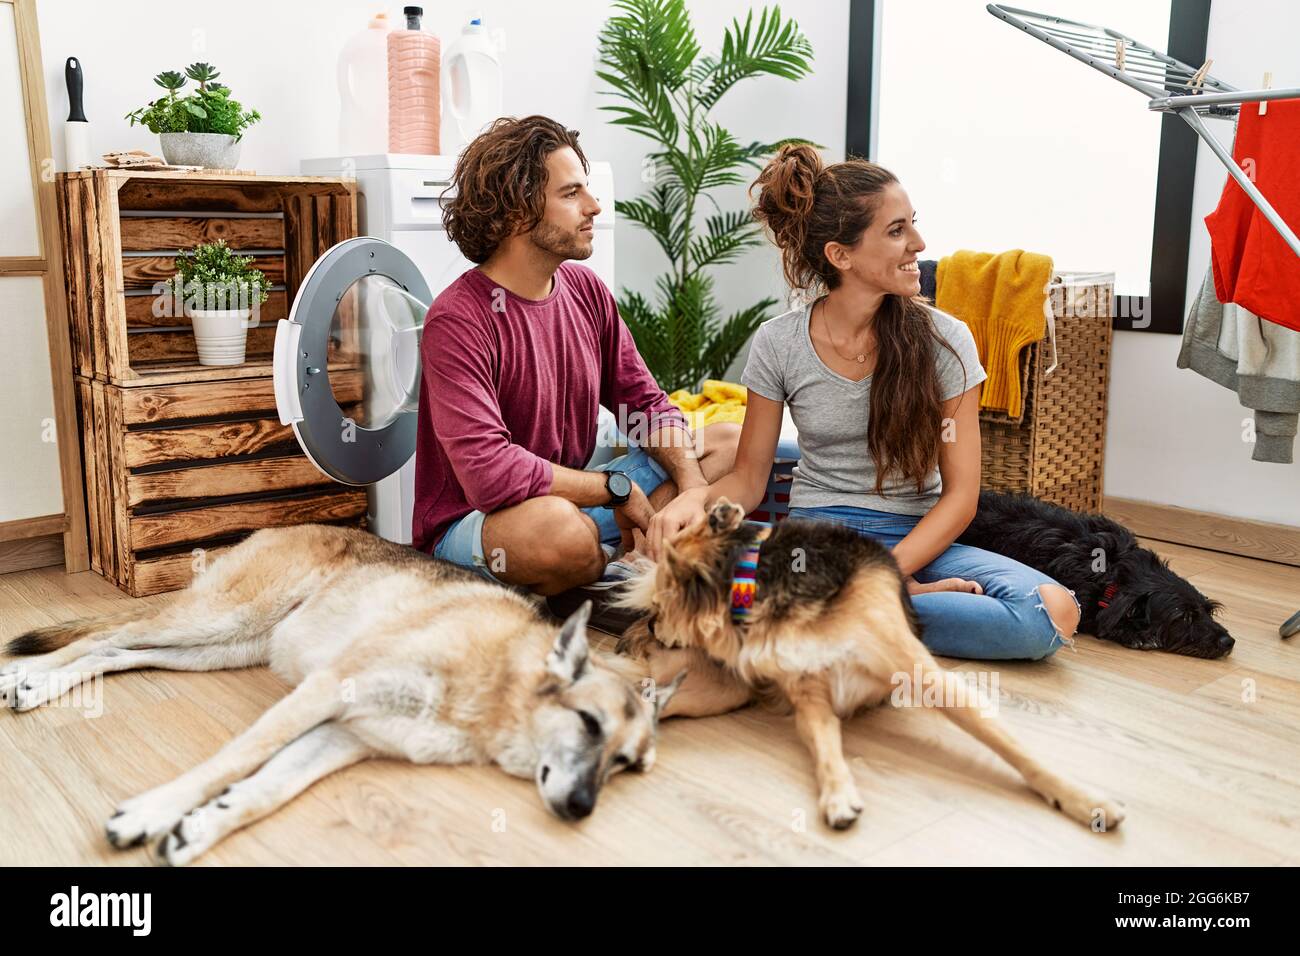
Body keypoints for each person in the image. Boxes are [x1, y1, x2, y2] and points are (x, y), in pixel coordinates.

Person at [647, 145, 1082, 661]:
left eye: (912, 224)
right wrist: (696, 504)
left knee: (1051, 612)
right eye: (897, 230)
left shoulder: (948, 340)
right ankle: (866, 615)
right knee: (717, 586)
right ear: (841, 255)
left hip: (917, 536)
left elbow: (962, 497)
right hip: (817, 537)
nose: (918, 243)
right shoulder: (779, 342)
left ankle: (828, 617)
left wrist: (887, 574)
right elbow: (749, 478)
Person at [413, 114, 740, 601]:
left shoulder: (585, 291)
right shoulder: (458, 320)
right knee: (560, 532)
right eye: (571, 195)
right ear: (516, 213)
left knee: (727, 441)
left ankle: (618, 556)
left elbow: (647, 406)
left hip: (577, 497)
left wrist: (692, 490)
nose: (593, 206)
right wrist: (616, 491)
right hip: (485, 522)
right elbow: (489, 475)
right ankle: (607, 556)